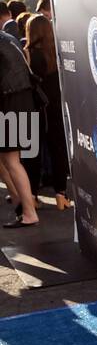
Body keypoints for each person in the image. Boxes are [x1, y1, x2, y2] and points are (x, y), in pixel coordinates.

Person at [24, 12, 72, 209]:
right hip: (56, 107)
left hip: (36, 108)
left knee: (32, 152)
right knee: (58, 149)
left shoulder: (27, 54)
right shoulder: (58, 53)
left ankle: (33, 196)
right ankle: (61, 195)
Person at [0, 30, 40, 227]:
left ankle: (29, 212)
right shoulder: (8, 38)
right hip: (23, 101)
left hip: (11, 103)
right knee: (8, 160)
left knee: (11, 160)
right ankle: (20, 202)